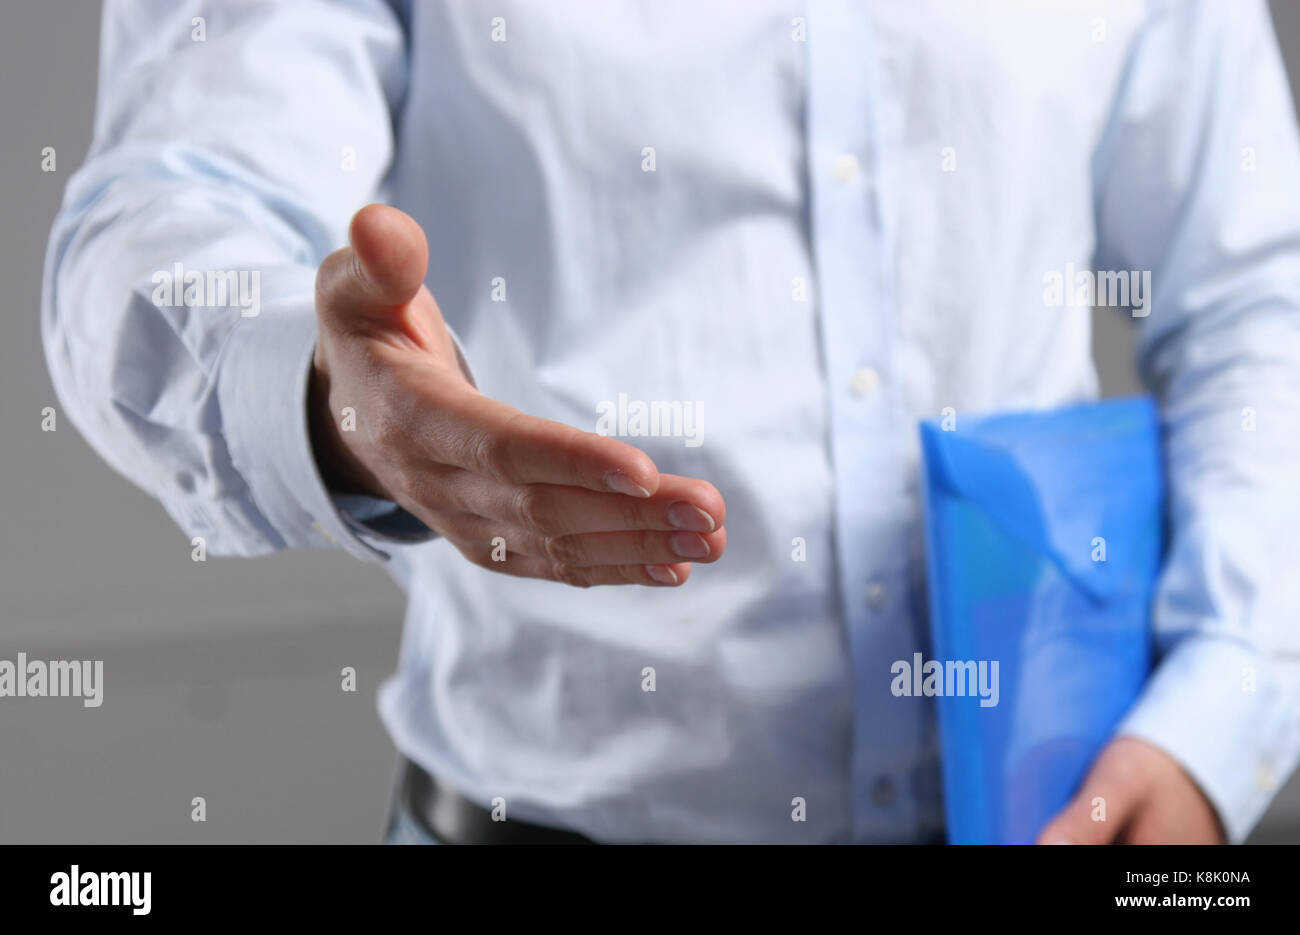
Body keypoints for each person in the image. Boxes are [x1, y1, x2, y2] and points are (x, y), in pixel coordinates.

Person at [43, 0, 1300, 844]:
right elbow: (166, 203)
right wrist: (326, 401)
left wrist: (1216, 713)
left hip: (1056, 805)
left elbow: (1257, 291)